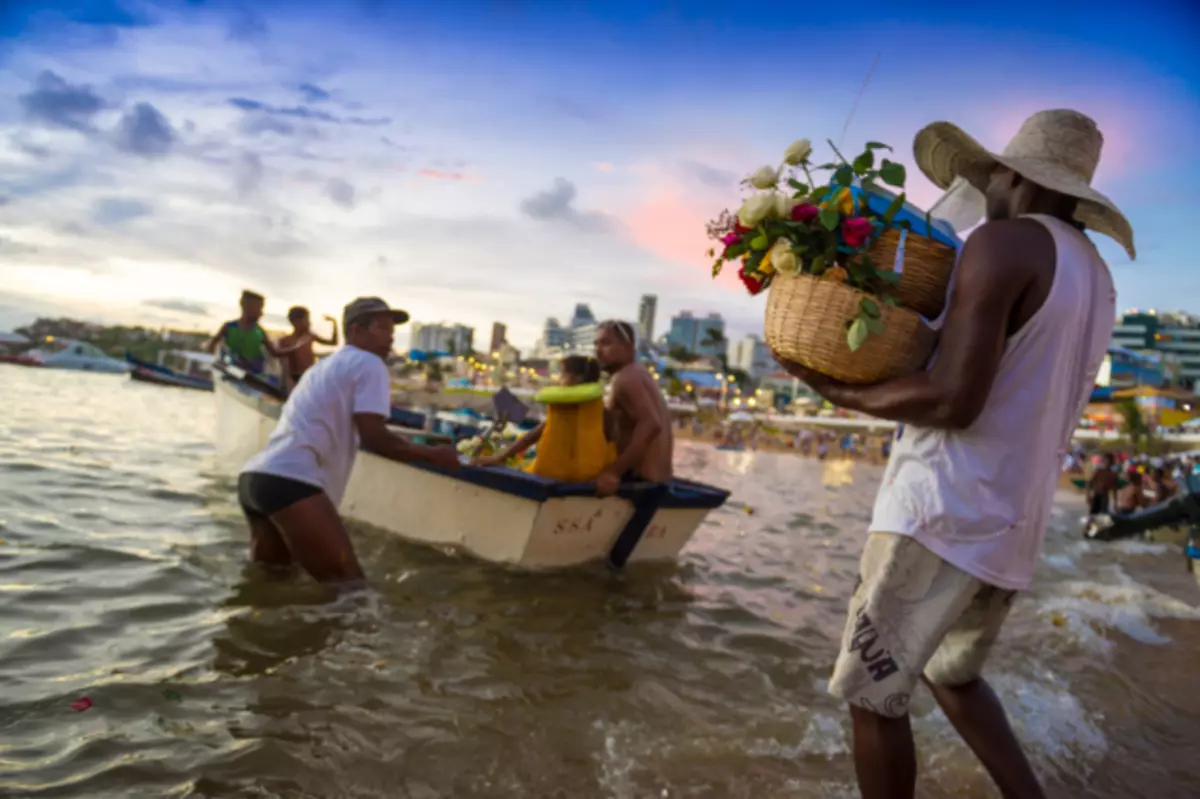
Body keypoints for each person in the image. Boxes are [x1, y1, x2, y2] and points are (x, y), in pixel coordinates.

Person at [774, 109, 1133, 799]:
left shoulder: (1004, 243)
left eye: (991, 174)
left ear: (1013, 176)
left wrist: (840, 394)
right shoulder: (1097, 278)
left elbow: (952, 400)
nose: (987, 190)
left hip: (941, 508)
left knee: (870, 692)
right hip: (1012, 522)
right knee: (952, 674)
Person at [237, 297, 460, 586]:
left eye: (393, 328)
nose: (391, 335)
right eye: (382, 327)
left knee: (272, 582)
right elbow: (375, 437)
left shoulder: (322, 367)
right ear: (356, 330)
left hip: (255, 479)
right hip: (292, 481)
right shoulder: (370, 364)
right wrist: (433, 455)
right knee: (350, 589)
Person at [472, 355, 609, 473]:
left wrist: (499, 457)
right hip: (587, 474)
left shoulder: (562, 404)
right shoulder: (598, 407)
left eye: (563, 374)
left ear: (578, 378)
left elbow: (534, 434)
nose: (559, 380)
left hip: (550, 473)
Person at [592, 320, 673, 496]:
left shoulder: (626, 378)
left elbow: (651, 424)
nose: (598, 350)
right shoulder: (639, 373)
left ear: (628, 347)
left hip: (639, 482)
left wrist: (613, 472)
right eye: (596, 344)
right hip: (658, 482)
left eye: (606, 343)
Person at [204, 290, 294, 374]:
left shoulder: (260, 331)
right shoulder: (229, 327)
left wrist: (294, 348)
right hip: (231, 371)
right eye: (259, 308)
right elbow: (212, 345)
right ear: (245, 307)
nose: (261, 313)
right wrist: (215, 360)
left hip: (253, 375)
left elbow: (274, 353)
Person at [278, 306, 339, 385]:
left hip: (309, 377)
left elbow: (333, 343)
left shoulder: (310, 336)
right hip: (294, 379)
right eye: (306, 319)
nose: (310, 323)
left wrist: (334, 323)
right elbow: (284, 366)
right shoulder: (285, 341)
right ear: (295, 321)